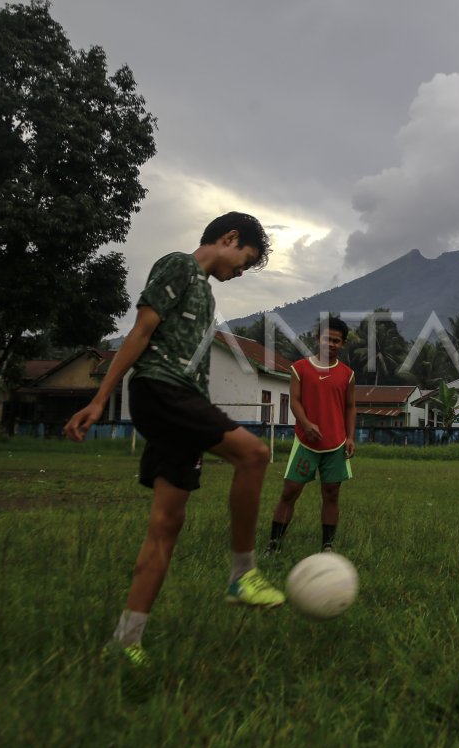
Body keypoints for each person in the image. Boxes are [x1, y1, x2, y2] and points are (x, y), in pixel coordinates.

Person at [64, 212, 285, 665]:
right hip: (162, 389)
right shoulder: (178, 266)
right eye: (244, 260)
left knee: (167, 524)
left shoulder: (202, 291)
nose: (240, 272)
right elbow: (141, 332)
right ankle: (243, 574)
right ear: (229, 237)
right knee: (255, 454)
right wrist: (99, 399)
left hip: (180, 400)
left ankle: (125, 642)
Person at [266, 317, 356, 554]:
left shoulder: (347, 374)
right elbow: (294, 401)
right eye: (327, 339)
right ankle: (274, 544)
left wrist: (350, 437)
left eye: (337, 341)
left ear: (343, 343)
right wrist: (305, 424)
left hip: (335, 443)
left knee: (331, 493)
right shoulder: (300, 368)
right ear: (318, 339)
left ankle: (327, 546)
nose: (331, 344)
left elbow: (350, 407)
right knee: (290, 491)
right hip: (305, 442)